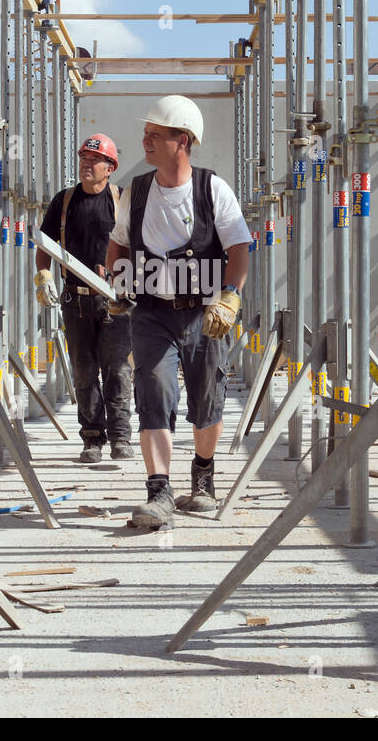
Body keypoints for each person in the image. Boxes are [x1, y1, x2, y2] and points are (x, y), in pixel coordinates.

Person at [105, 95, 250, 527]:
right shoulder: (138, 191)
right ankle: (159, 490)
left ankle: (202, 477)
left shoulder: (211, 189)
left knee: (208, 397)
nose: (146, 141)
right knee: (153, 390)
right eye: (146, 133)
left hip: (203, 313)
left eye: (156, 134)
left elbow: (239, 248)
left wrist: (230, 295)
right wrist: (116, 281)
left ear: (182, 140)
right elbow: (120, 242)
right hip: (151, 312)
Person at [34, 133, 135, 463]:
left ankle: (120, 436)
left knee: (118, 370)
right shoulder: (64, 203)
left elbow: (138, 249)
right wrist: (44, 275)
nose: (87, 165)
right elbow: (44, 245)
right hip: (75, 301)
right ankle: (92, 438)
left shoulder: (121, 203)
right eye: (84, 160)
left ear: (110, 168)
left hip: (115, 303)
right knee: (83, 370)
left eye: (94, 161)